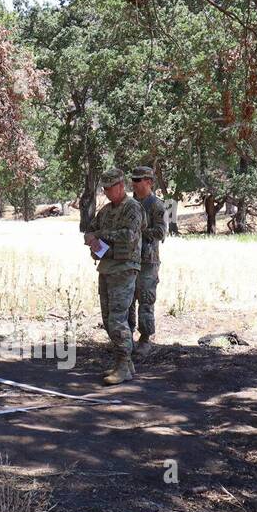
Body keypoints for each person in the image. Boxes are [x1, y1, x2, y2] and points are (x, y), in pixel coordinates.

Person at [84, 168, 143, 385]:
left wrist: (99, 235)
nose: (107, 193)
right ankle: (124, 364)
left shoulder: (133, 208)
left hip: (125, 268)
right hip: (107, 267)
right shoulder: (106, 211)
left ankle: (123, 364)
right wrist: (91, 238)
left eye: (110, 189)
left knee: (118, 319)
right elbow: (92, 229)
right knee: (109, 318)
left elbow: (129, 235)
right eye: (105, 189)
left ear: (121, 186)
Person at [128, 165, 166, 358]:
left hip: (148, 262)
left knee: (145, 300)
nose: (134, 183)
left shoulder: (156, 205)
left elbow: (160, 232)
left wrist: (138, 233)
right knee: (127, 300)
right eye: (132, 180)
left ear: (149, 182)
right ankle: (127, 338)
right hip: (129, 260)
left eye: (138, 180)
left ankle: (144, 340)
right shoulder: (128, 203)